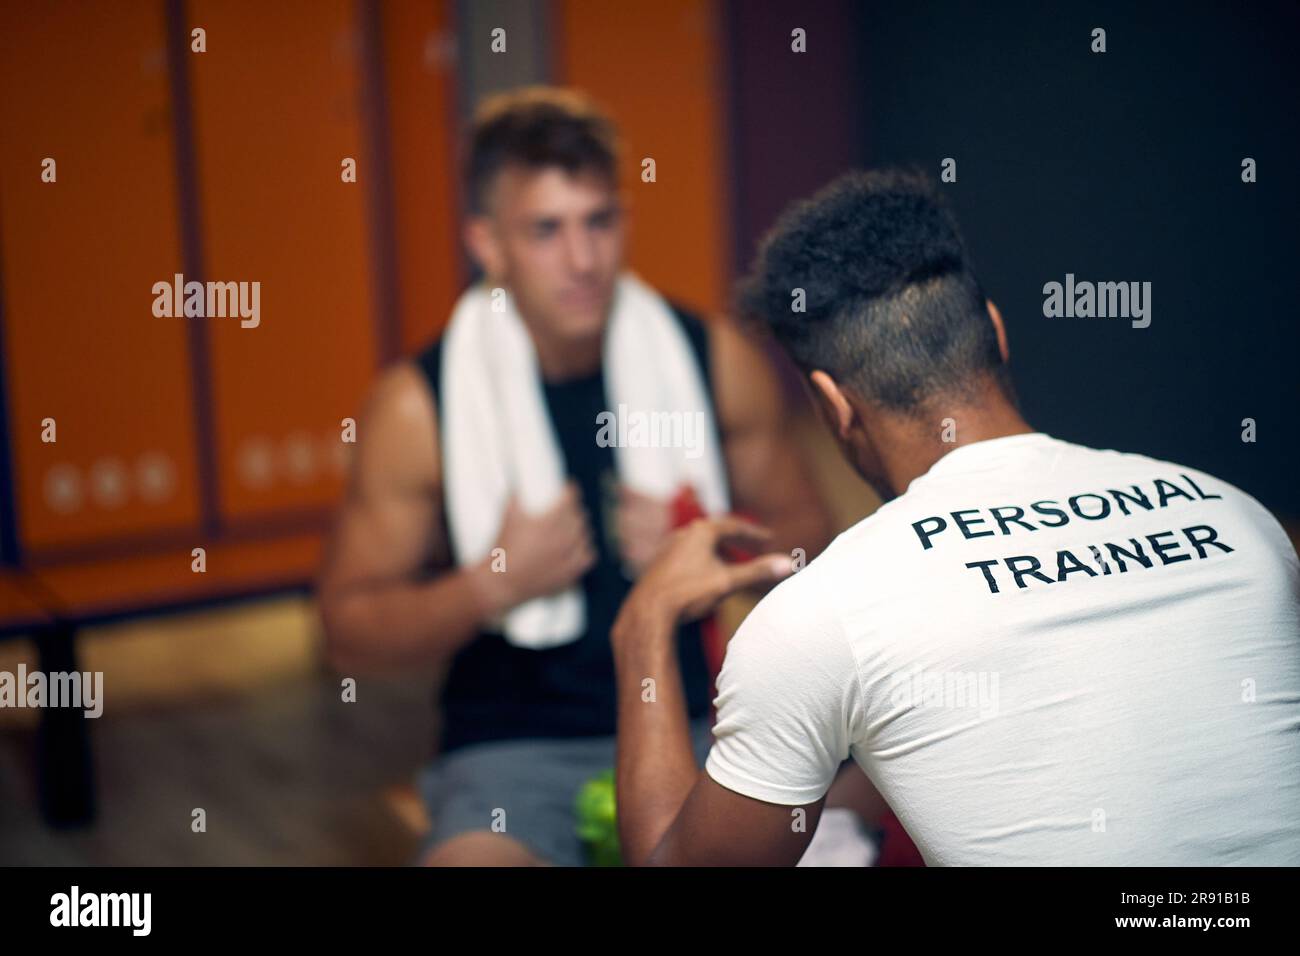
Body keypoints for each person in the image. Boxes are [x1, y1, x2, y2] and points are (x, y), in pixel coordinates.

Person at [608, 168, 1300, 866]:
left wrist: (645, 623)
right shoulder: (1242, 523)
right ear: (997, 331)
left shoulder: (824, 613)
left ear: (833, 407)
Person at [315, 87, 833, 866]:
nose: (584, 260)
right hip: (513, 753)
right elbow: (347, 633)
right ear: (487, 243)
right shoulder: (416, 408)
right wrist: (492, 583)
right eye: (546, 232)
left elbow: (812, 539)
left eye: (599, 221)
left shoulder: (712, 358)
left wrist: (712, 552)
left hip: (697, 726)